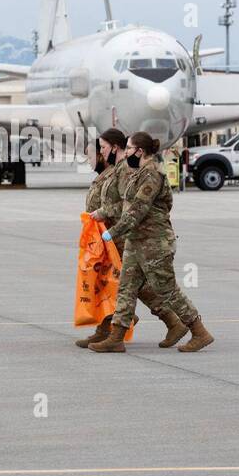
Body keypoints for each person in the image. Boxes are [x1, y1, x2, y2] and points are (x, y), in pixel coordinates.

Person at [89, 132, 213, 353]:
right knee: (126, 287)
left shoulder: (152, 175)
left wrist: (113, 231)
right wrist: (105, 214)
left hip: (155, 242)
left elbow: (138, 210)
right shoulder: (138, 174)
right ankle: (116, 337)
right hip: (136, 240)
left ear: (140, 151)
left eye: (128, 148)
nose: (125, 152)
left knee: (166, 289)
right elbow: (126, 206)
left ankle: (199, 331)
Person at [79, 129, 184, 348]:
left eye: (103, 147)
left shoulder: (128, 171)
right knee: (113, 284)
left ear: (114, 148)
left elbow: (129, 207)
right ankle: (108, 327)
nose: (100, 152)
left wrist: (106, 217)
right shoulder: (116, 170)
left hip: (123, 235)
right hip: (109, 236)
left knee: (135, 285)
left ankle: (173, 321)